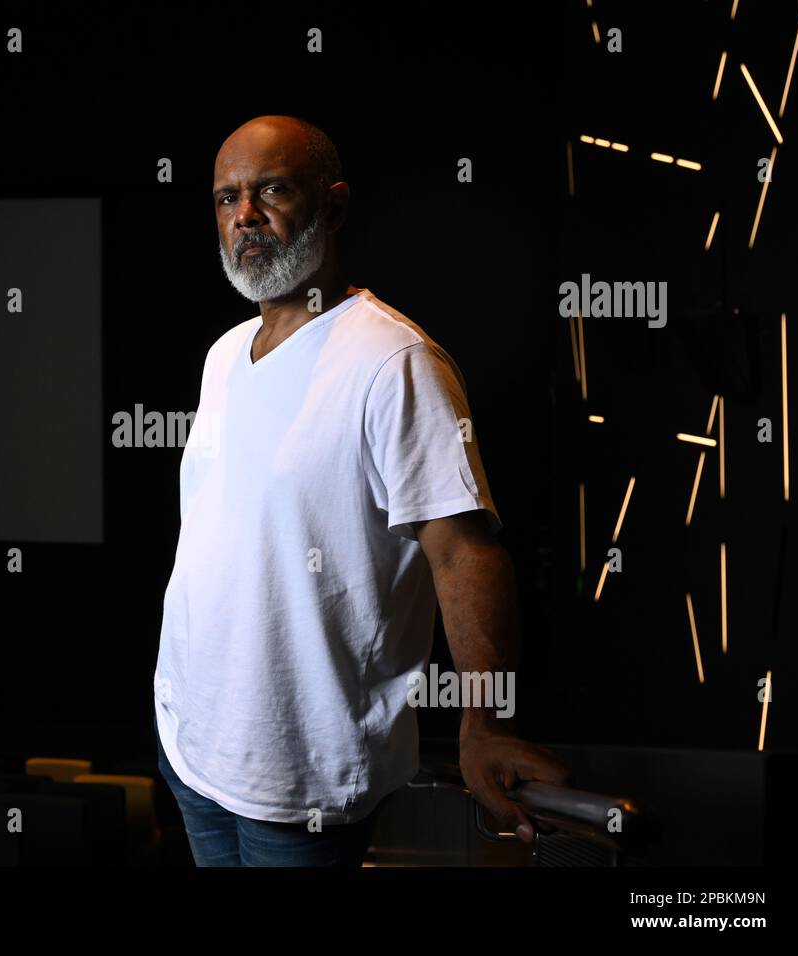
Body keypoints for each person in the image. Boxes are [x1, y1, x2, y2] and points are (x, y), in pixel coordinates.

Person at [152, 115, 571, 867]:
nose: (245, 216)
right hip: (191, 748)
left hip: (299, 777)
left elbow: (464, 555)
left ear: (333, 206)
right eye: (226, 198)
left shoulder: (393, 361)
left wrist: (484, 724)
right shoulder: (222, 357)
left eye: (271, 190)